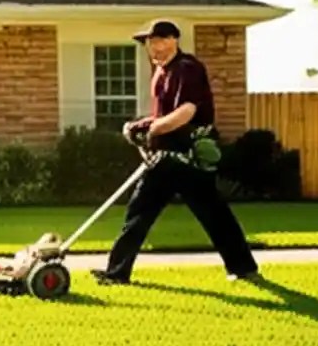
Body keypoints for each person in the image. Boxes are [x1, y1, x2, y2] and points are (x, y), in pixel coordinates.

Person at [91, 19, 260, 285]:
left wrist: (152, 131)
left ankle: (116, 274)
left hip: (186, 156)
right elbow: (163, 115)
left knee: (203, 214)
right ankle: (243, 268)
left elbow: (186, 112)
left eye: (157, 40)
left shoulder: (187, 69)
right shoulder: (161, 72)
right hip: (168, 157)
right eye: (148, 43)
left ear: (173, 40)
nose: (152, 47)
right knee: (159, 212)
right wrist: (138, 126)